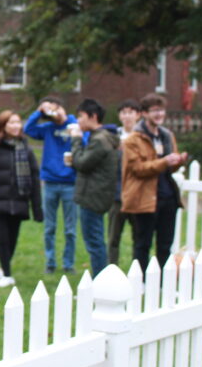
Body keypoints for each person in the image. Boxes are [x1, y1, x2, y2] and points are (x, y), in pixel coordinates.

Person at [0, 111, 43, 288]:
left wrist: (37, 208)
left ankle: (3, 267)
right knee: (3, 239)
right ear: (3, 126)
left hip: (19, 202)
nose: (15, 126)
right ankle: (7, 275)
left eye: (18, 122)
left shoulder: (26, 150)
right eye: (11, 123)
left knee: (13, 239)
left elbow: (35, 179)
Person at [121, 93, 188, 269]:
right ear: (144, 113)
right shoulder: (133, 140)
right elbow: (137, 169)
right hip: (145, 199)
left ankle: (161, 283)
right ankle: (141, 281)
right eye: (154, 111)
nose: (159, 114)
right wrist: (164, 161)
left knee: (165, 245)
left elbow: (169, 168)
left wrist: (177, 161)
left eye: (161, 110)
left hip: (168, 198)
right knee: (142, 244)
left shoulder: (167, 136)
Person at [24, 97, 78, 274]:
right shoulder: (47, 129)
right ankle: (50, 262)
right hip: (50, 182)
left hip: (70, 183)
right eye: (50, 110)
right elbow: (28, 129)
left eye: (56, 109)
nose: (54, 113)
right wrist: (39, 112)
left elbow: (84, 137)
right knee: (50, 227)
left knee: (70, 229)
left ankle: (68, 263)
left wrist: (66, 118)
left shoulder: (73, 125)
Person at [69, 99, 118, 275]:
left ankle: (100, 283)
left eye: (80, 116)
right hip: (97, 195)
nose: (77, 121)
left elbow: (82, 163)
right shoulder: (102, 138)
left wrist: (75, 141)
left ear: (93, 117)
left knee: (94, 242)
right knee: (96, 241)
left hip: (92, 197)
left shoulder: (99, 140)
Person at [108, 99, 141, 265]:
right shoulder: (113, 137)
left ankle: (138, 269)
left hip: (137, 196)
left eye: (131, 112)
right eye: (124, 112)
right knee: (113, 237)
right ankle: (111, 268)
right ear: (120, 116)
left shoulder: (143, 136)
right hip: (117, 194)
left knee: (139, 237)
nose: (127, 116)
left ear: (138, 115)